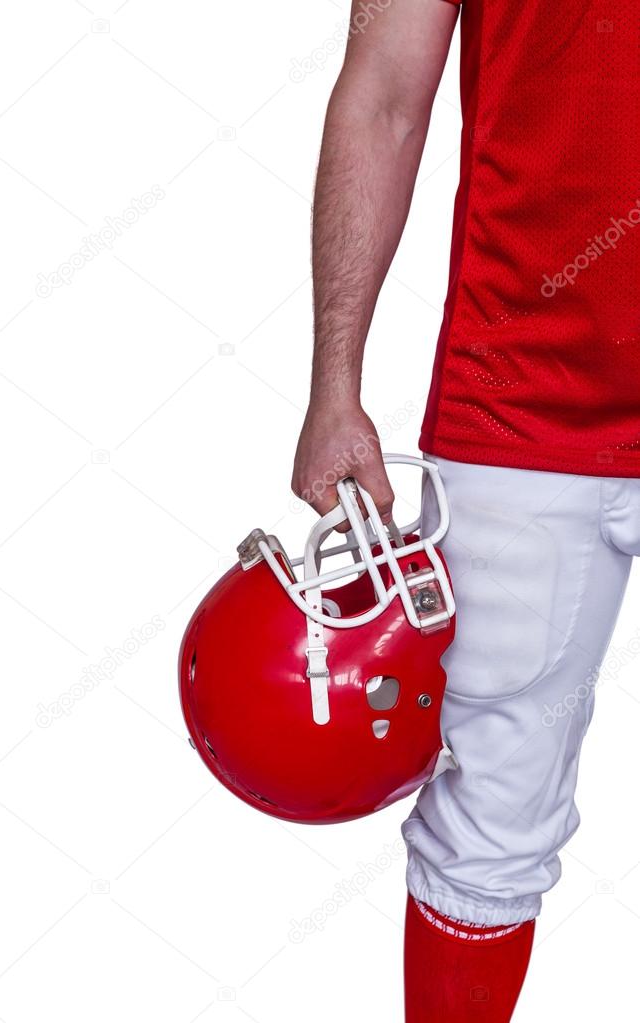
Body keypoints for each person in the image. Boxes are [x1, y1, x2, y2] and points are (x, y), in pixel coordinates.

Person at [292, 0, 640, 1018]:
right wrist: (333, 383)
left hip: (517, 400)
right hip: (521, 396)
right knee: (488, 817)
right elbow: (383, 98)